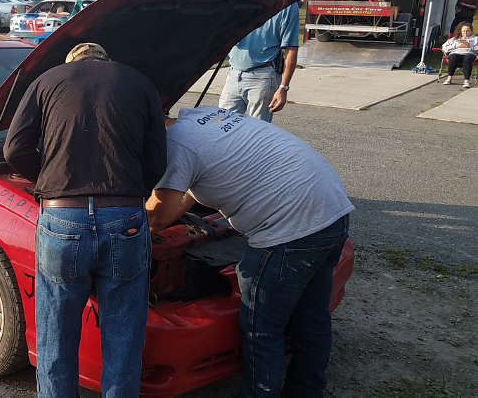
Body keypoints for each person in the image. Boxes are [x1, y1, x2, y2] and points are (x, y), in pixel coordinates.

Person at [146, 106, 354, 398]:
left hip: (290, 231)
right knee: (311, 317)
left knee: (262, 328)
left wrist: (123, 225)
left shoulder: (176, 144)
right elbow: (190, 191)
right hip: (332, 211)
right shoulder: (202, 116)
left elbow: (156, 216)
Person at [4, 43, 166, 398]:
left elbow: (13, 148)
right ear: (105, 61)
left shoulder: (47, 81)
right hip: (125, 217)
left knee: (56, 333)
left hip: (61, 216)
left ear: (71, 64)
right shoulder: (139, 83)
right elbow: (157, 158)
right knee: (123, 333)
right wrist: (133, 192)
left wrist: (48, 180)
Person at [219, 0, 299, 122]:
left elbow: (291, 49)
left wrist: (283, 87)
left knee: (257, 133)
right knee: (222, 126)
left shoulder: (287, 5)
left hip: (263, 77)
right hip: (234, 73)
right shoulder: (242, 1)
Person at [441, 21, 478, 88]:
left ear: (471, 31)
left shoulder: (476, 39)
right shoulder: (455, 39)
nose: (465, 33)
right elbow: (444, 47)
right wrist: (456, 46)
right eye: (463, 31)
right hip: (456, 53)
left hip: (469, 54)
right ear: (460, 31)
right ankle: (449, 78)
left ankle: (466, 81)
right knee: (453, 56)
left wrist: (470, 46)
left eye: (468, 31)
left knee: (467, 58)